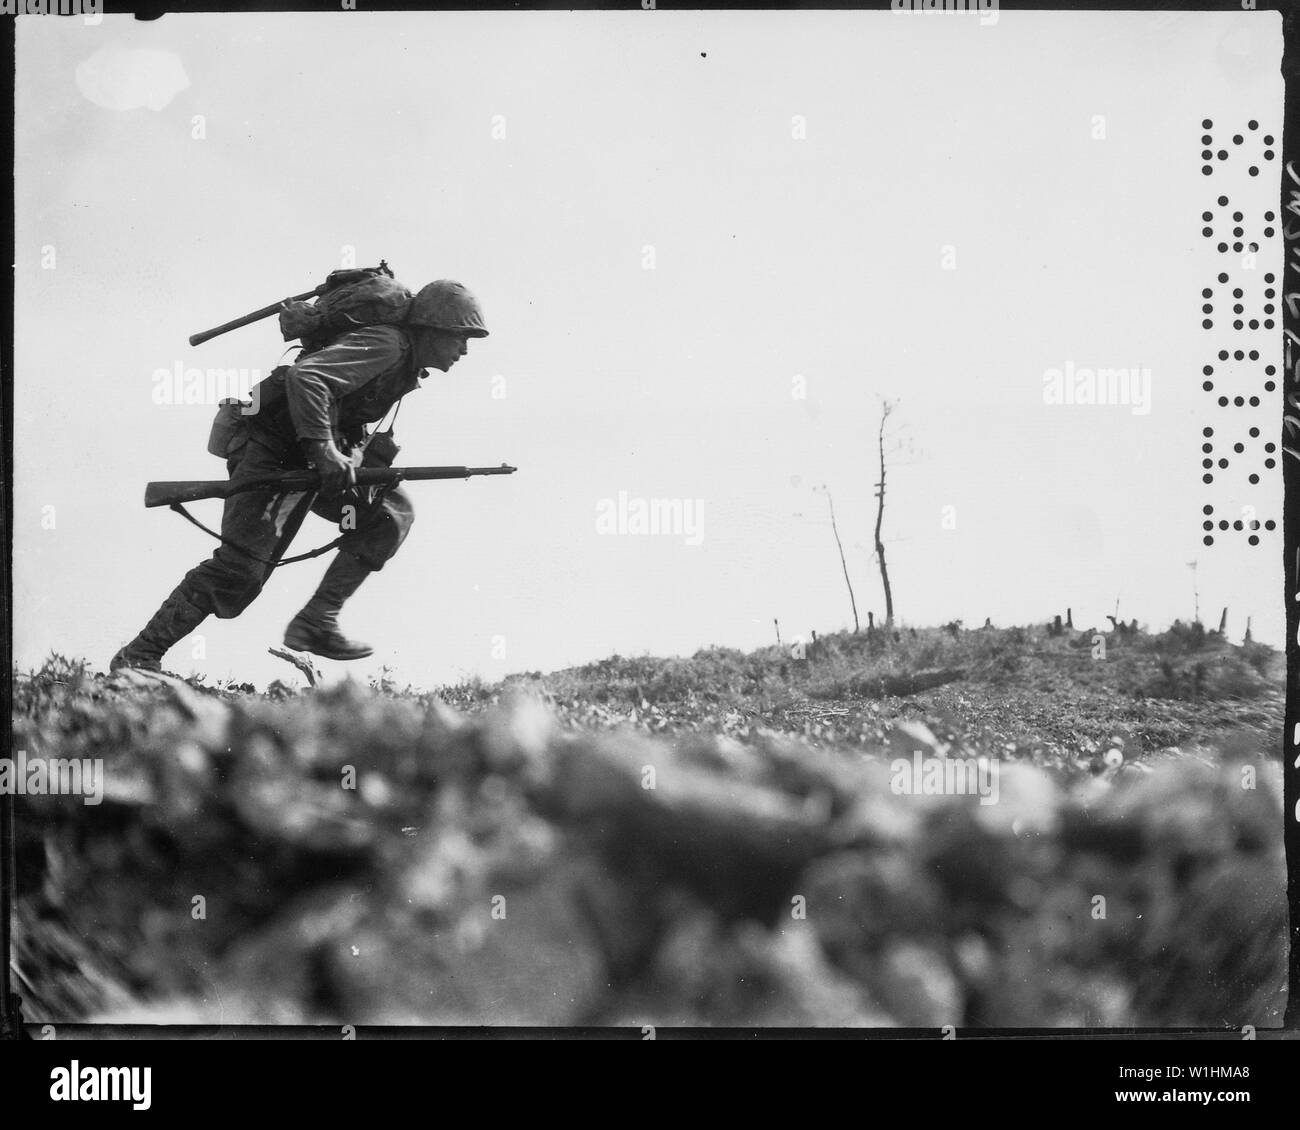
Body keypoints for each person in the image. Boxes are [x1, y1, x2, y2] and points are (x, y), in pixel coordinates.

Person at [110, 280, 489, 673]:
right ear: (434, 329)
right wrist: (325, 451)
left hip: (307, 457)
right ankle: (139, 656)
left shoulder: (404, 362)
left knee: (389, 514)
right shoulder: (388, 345)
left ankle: (316, 621)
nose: (464, 350)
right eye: (461, 338)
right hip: (270, 449)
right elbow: (307, 378)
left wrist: (346, 454)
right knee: (239, 572)